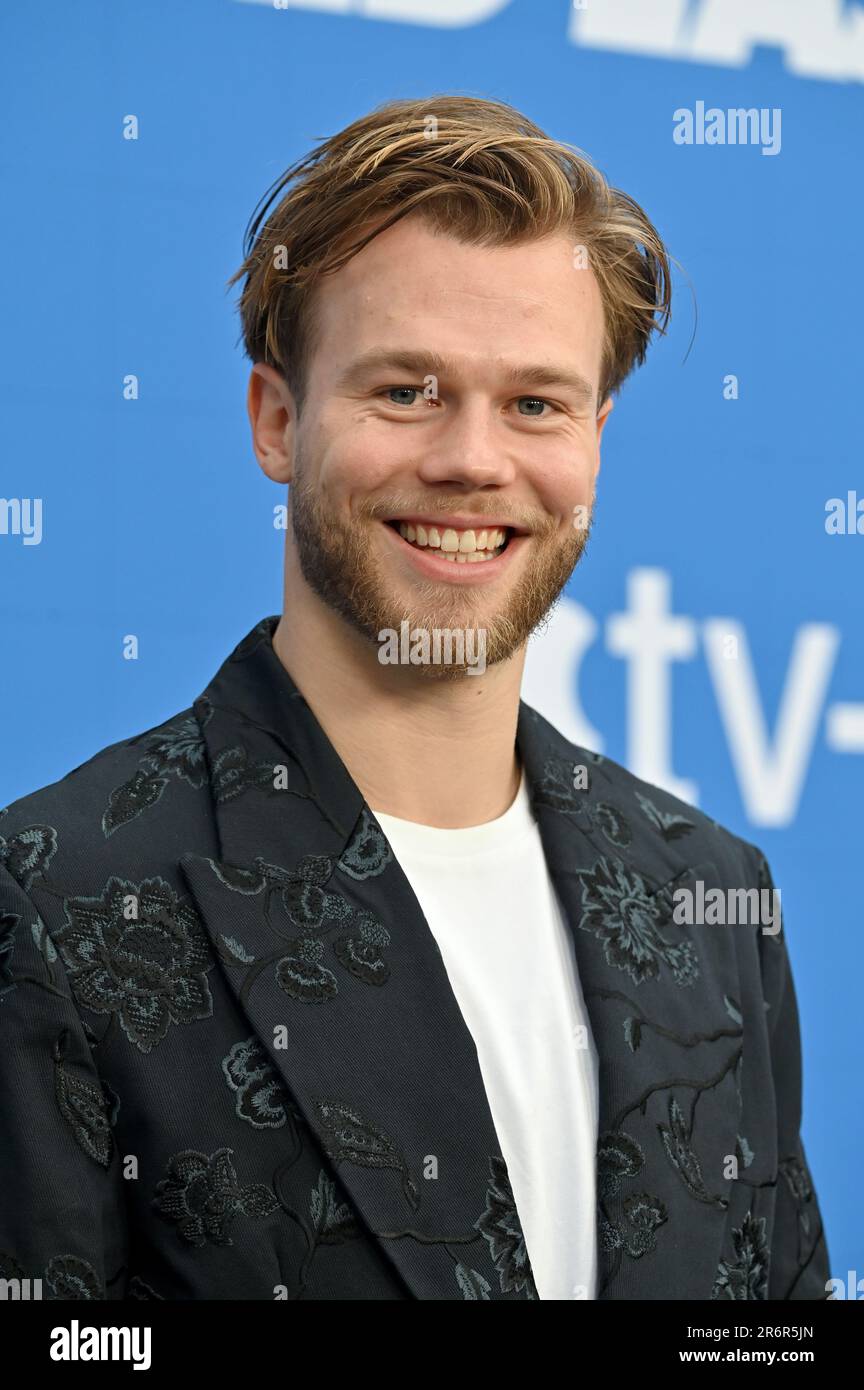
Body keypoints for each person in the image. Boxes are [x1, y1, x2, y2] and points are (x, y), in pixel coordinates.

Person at [0, 95, 828, 1301]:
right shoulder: (55, 896)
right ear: (276, 419)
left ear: (596, 436)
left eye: (535, 403)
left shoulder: (711, 892)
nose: (473, 460)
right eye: (406, 391)